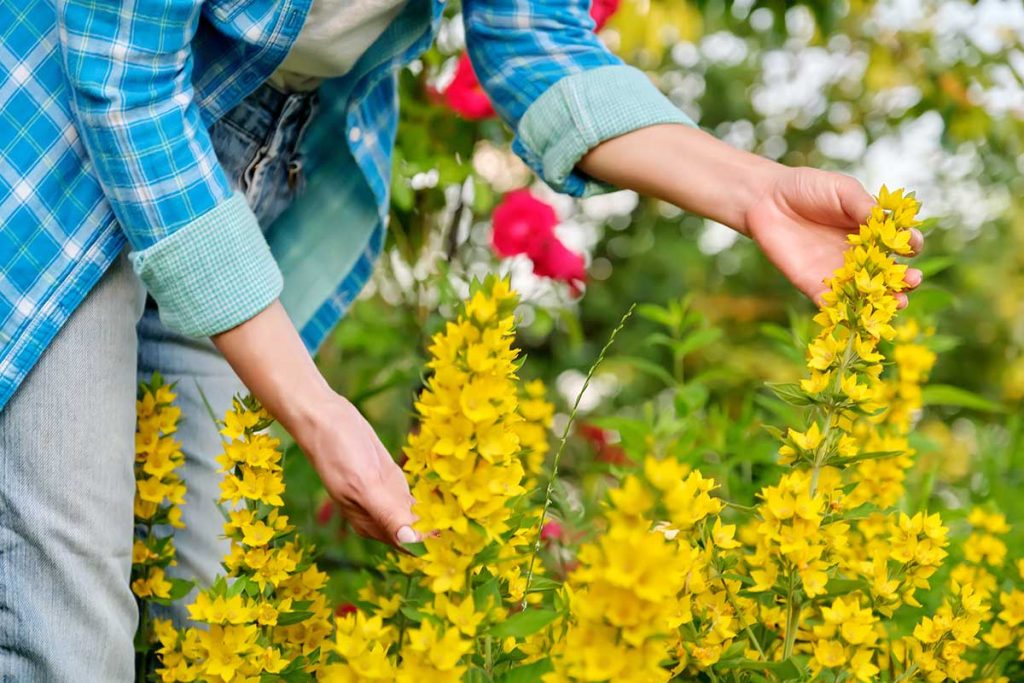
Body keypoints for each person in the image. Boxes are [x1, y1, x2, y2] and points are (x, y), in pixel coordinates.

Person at [0, 0, 923, 678]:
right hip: (57, 152)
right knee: (69, 632)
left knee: (215, 630)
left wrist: (752, 188)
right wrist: (315, 409)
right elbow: (120, 78)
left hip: (242, 198)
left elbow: (532, 36)